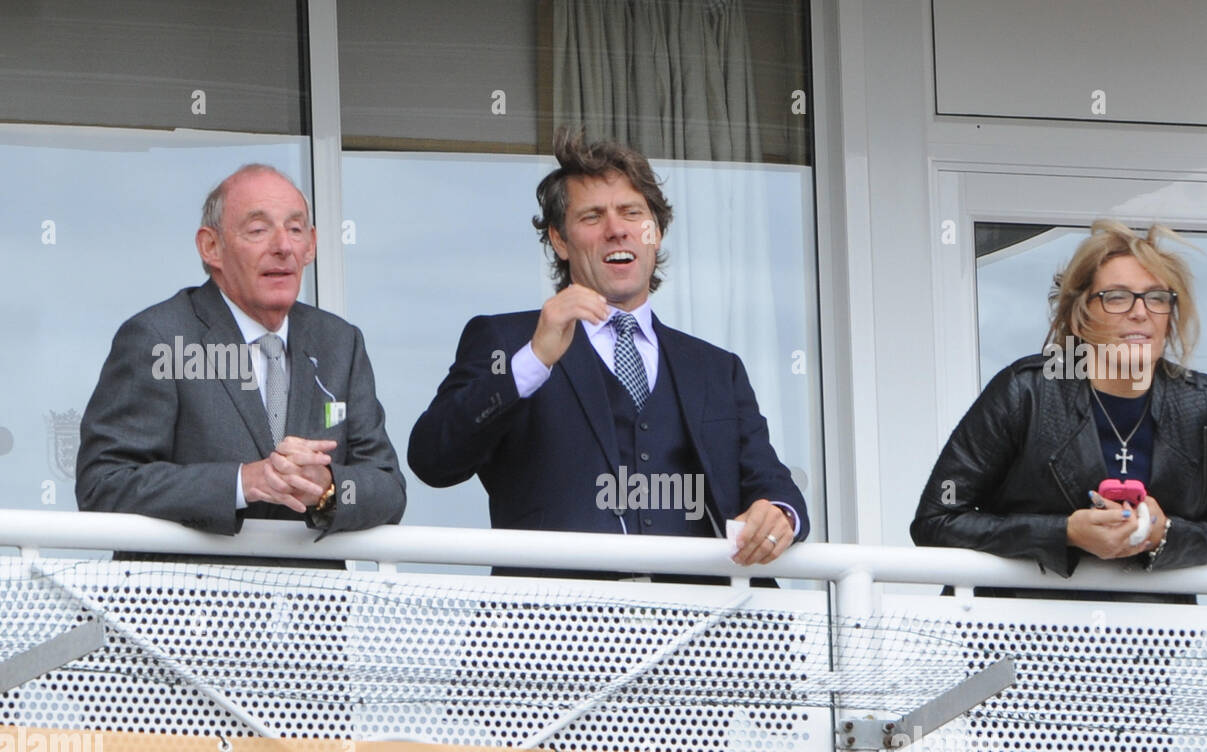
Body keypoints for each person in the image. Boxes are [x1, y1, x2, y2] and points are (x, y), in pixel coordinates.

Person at [407, 130, 808, 573]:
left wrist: (779, 513)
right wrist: (533, 362)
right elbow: (433, 460)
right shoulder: (507, 341)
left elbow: (770, 481)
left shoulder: (716, 368)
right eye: (592, 217)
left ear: (654, 234)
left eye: (632, 213)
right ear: (560, 241)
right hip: (553, 629)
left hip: (700, 630)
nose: (617, 230)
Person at [910, 220, 1207, 590]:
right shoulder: (1025, 392)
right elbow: (937, 520)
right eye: (1118, 296)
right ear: (1082, 313)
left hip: (1147, 636)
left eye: (1157, 297)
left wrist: (1164, 533)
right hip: (1017, 636)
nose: (1140, 312)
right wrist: (1064, 533)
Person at [77, 163, 405, 537]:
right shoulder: (159, 338)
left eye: (295, 230)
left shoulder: (339, 343)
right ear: (211, 246)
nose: (283, 247)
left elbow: (389, 488)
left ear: (311, 245)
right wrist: (242, 482)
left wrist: (326, 487)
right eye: (258, 230)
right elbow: (103, 484)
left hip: (311, 594)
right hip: (188, 594)